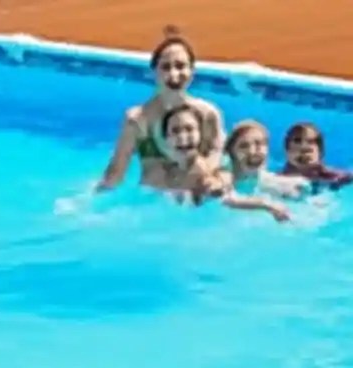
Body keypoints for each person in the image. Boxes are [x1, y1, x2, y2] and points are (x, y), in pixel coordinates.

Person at [96, 26, 226, 191]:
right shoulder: (137, 120)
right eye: (166, 67)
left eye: (180, 66)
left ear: (192, 71)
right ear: (154, 72)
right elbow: (115, 174)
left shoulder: (208, 115)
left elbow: (220, 162)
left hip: (194, 200)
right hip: (153, 201)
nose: (174, 74)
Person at [159, 105, 289, 222]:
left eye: (189, 129)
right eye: (175, 131)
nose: (183, 137)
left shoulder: (216, 173)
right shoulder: (161, 173)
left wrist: (267, 205)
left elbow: (226, 198)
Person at [224, 120, 308, 199]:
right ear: (231, 153)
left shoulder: (275, 184)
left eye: (258, 144)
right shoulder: (223, 185)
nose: (252, 151)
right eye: (244, 146)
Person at [279, 122, 352, 192]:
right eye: (298, 151)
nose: (303, 156)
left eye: (308, 151)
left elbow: (348, 177)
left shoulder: (328, 175)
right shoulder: (280, 179)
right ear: (287, 152)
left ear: (320, 154)